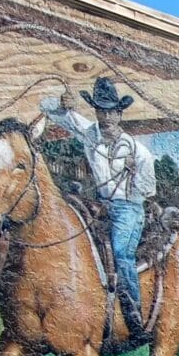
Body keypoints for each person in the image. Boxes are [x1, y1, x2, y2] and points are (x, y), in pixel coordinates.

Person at [40, 77, 157, 337]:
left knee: (120, 252)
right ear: (96, 111)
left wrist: (134, 174)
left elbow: (148, 190)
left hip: (129, 207)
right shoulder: (88, 131)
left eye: (110, 111)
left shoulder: (140, 152)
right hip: (100, 204)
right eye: (100, 110)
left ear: (119, 114)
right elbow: (45, 107)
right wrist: (61, 103)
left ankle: (133, 314)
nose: (105, 117)